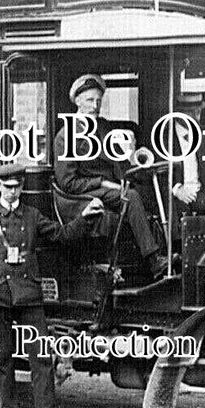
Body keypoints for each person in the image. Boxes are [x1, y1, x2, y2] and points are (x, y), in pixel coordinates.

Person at [0, 164, 103, 408]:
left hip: (28, 295)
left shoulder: (33, 215)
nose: (12, 192)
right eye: (7, 187)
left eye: (17, 187)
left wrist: (85, 217)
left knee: (41, 356)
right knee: (3, 357)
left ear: (22, 187)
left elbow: (62, 235)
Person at [52, 73, 169, 279]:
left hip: (111, 186)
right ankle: (154, 261)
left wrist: (133, 166)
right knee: (130, 197)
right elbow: (68, 183)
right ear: (77, 101)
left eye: (98, 101)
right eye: (90, 100)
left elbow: (116, 160)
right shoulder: (65, 136)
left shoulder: (104, 126)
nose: (95, 106)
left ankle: (170, 251)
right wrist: (104, 183)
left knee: (153, 190)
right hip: (85, 194)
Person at [166, 92, 205, 215]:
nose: (197, 117)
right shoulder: (165, 139)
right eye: (191, 112)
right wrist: (177, 189)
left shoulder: (203, 137)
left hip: (201, 195)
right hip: (175, 198)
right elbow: (158, 173)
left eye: (199, 112)